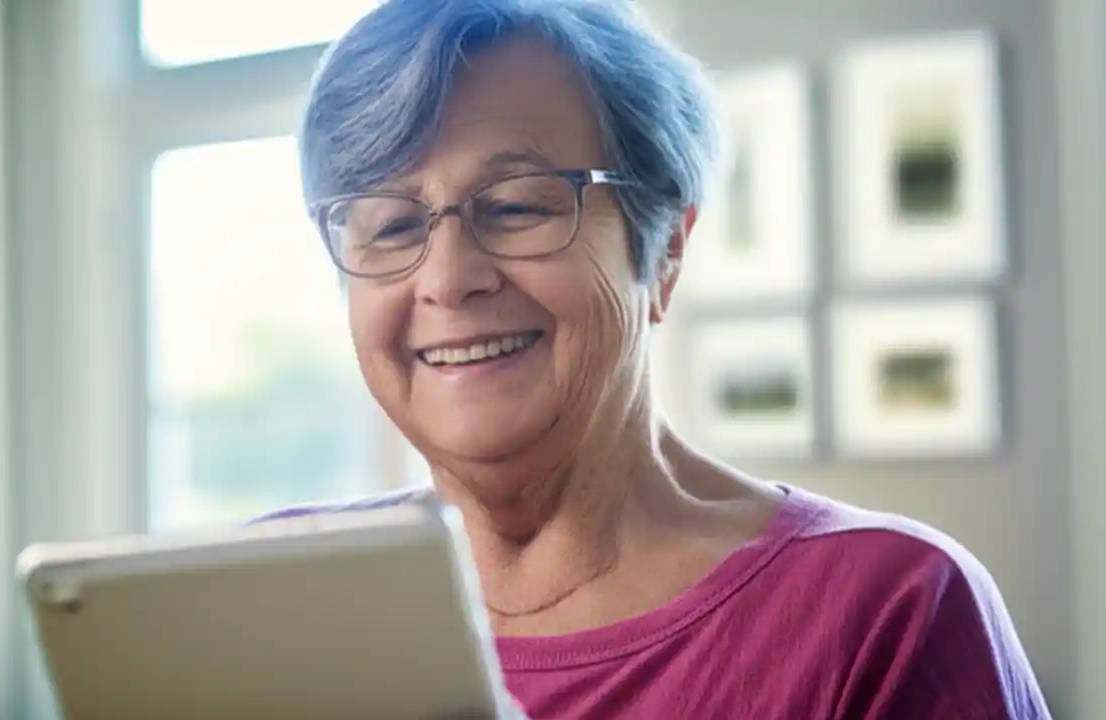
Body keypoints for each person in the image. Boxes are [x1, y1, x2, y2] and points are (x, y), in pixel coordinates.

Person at [279, 0, 1052, 716]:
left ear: (666, 249)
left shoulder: (887, 608)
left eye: (516, 206)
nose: (447, 280)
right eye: (388, 226)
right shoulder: (275, 596)